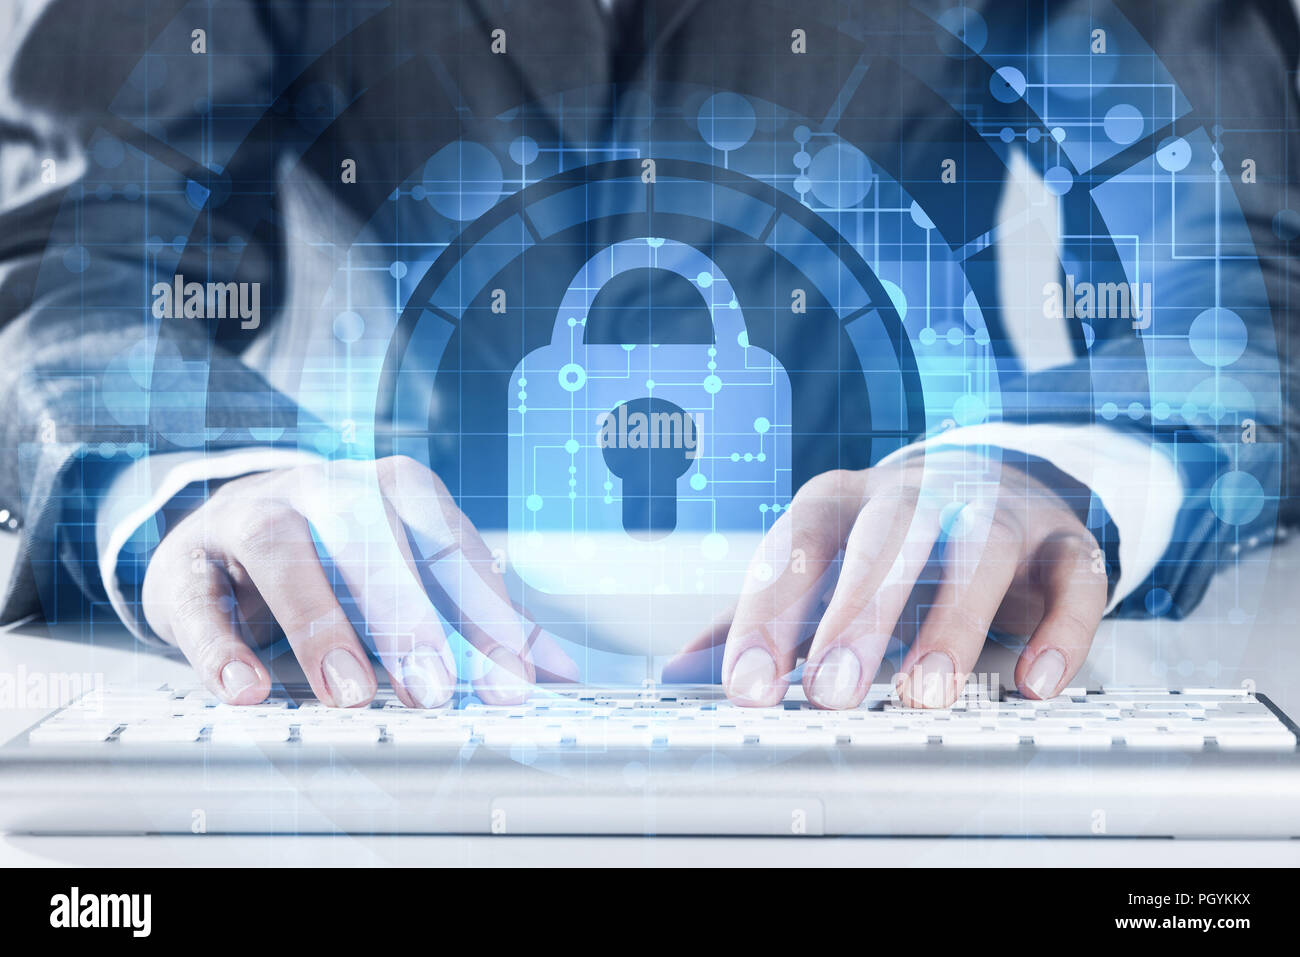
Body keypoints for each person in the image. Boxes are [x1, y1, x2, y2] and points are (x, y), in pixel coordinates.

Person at [0, 0, 1294, 711]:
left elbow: (1241, 270)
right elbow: (77, 252)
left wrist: (1054, 468)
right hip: (442, 644)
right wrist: (198, 477)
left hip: (933, 634)